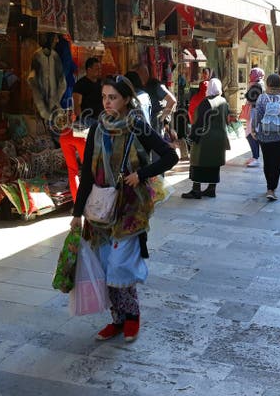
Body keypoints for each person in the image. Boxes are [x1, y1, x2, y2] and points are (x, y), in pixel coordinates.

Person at [70, 76, 178, 342]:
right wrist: (76, 213)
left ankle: (132, 317)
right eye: (104, 97)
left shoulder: (138, 126)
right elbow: (87, 174)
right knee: (106, 266)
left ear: (126, 100)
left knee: (120, 267)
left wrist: (141, 174)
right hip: (100, 206)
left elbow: (170, 155)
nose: (107, 103)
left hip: (130, 208)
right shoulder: (97, 128)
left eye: (113, 97)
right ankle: (117, 320)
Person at [59, 56, 101, 203]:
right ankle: (85, 201)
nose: (98, 71)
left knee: (76, 170)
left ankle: (79, 202)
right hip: (84, 128)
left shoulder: (101, 84)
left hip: (86, 127)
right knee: (89, 168)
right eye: (96, 68)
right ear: (88, 69)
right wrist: (81, 122)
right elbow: (77, 105)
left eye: (99, 68)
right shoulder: (81, 84)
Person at [181, 78, 230, 199]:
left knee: (197, 163)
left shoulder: (206, 102)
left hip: (205, 139)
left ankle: (196, 190)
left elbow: (199, 123)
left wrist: (192, 137)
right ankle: (211, 189)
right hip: (219, 138)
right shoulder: (224, 101)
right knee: (214, 164)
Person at [253, 73, 280, 201]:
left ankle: (269, 188)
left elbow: (257, 115)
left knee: (267, 161)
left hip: (264, 135)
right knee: (277, 162)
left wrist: (254, 130)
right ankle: (273, 187)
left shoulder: (262, 98)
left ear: (268, 84)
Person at [135, 64, 177, 133]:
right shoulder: (140, 86)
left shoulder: (155, 85)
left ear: (144, 73)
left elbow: (172, 101)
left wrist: (161, 119)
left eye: (136, 75)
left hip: (156, 124)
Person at [244, 67, 265, 167]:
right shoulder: (258, 84)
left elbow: (250, 97)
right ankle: (255, 156)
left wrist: (247, 92)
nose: (249, 75)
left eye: (251, 73)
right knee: (251, 133)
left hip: (255, 112)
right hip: (255, 112)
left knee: (250, 134)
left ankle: (256, 157)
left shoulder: (257, 85)